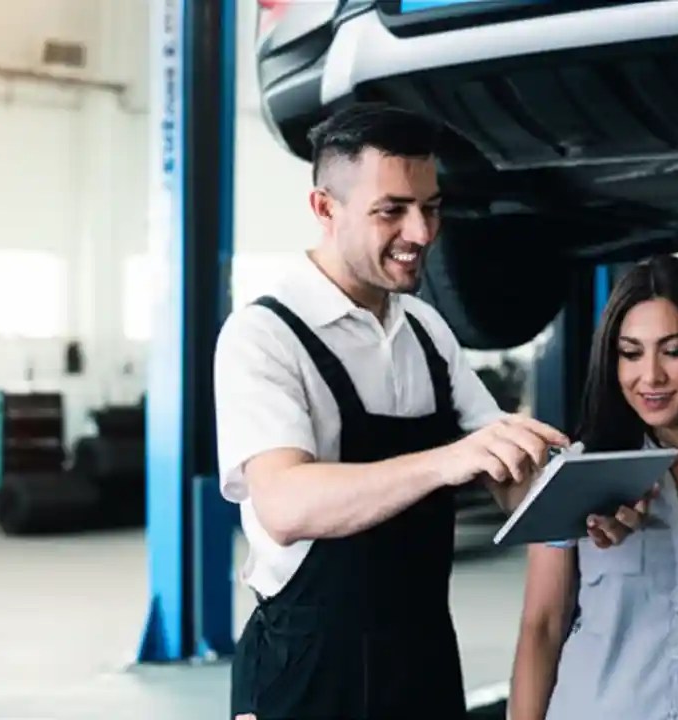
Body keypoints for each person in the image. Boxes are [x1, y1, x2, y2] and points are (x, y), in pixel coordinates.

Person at [213, 102, 648, 720]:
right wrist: (446, 462)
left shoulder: (424, 329)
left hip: (421, 658)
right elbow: (284, 505)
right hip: (308, 670)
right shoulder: (263, 335)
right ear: (324, 209)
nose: (420, 233)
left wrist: (576, 504)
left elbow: (501, 465)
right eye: (391, 211)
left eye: (431, 207)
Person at [508, 255, 678, 720]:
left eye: (674, 350)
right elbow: (541, 627)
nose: (650, 377)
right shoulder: (576, 473)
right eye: (630, 353)